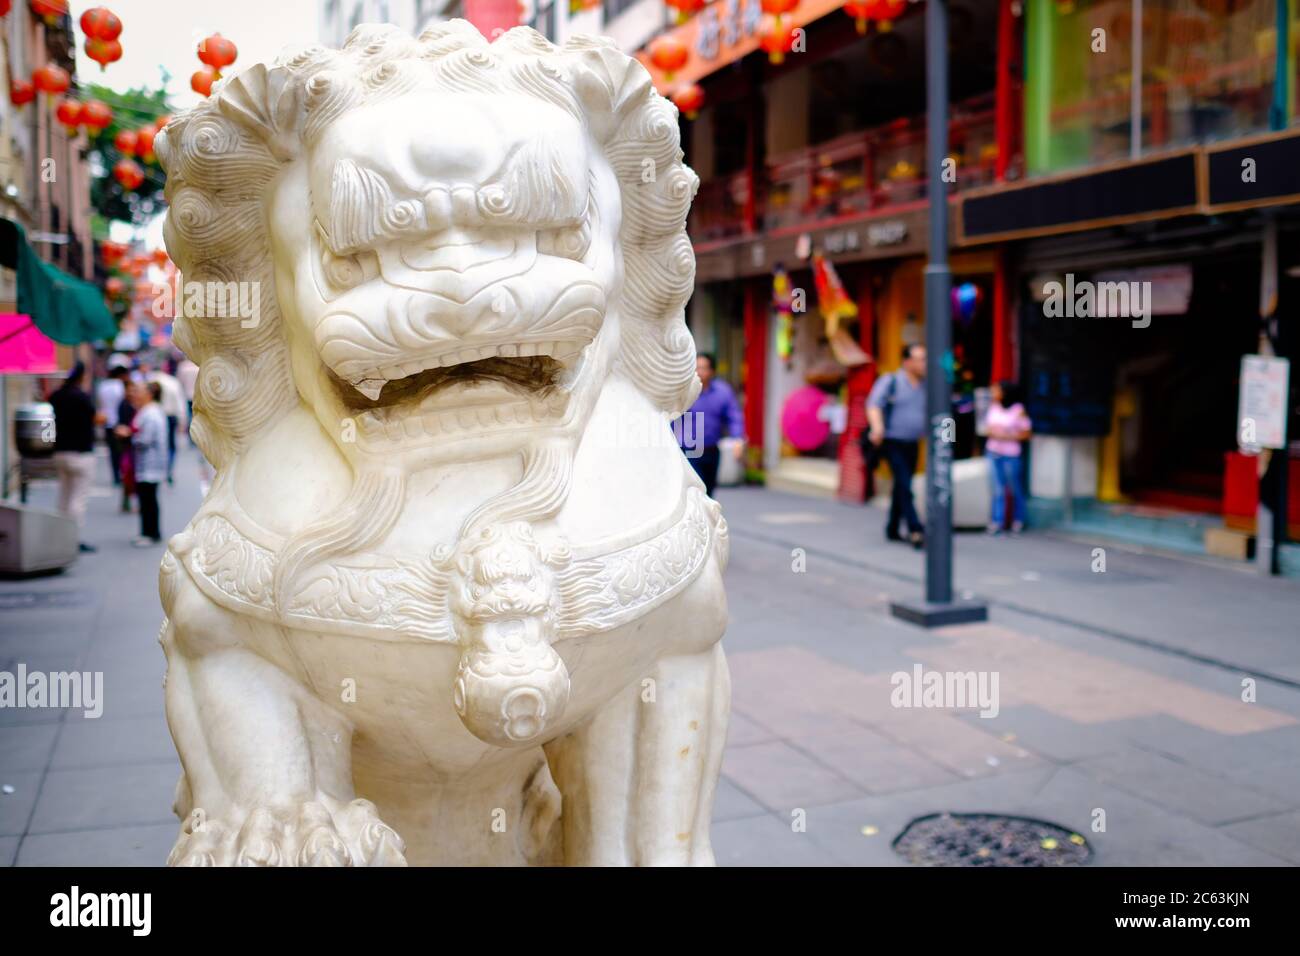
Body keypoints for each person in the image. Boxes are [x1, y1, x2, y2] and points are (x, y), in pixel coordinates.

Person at [866, 344, 927, 549]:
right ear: (907, 362)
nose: (923, 364)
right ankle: (915, 528)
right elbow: (874, 405)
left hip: (913, 442)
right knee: (904, 483)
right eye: (919, 359)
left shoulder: (926, 385)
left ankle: (892, 527)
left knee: (902, 484)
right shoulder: (891, 381)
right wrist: (877, 427)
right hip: (892, 441)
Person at [49, 362, 100, 553]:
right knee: (78, 499)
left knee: (64, 496)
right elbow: (94, 417)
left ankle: (60, 536)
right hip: (81, 453)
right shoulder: (82, 398)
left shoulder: (56, 396)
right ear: (82, 377)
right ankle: (72, 539)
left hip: (60, 452)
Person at [677, 353, 743, 498]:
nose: (700, 371)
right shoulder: (682, 391)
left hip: (712, 449)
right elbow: (670, 416)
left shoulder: (722, 392)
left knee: (709, 489)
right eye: (697, 368)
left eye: (704, 368)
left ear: (712, 371)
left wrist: (737, 438)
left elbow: (734, 416)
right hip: (689, 449)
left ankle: (705, 519)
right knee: (696, 490)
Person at [984, 380, 1032, 535]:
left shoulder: (1018, 410)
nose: (993, 394)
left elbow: (1026, 433)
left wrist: (1007, 436)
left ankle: (1018, 520)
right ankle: (997, 521)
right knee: (997, 488)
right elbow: (987, 428)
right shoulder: (993, 407)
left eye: (997, 391)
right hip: (993, 451)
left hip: (1011, 454)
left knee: (1014, 487)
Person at [127, 380, 168, 546]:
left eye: (139, 391)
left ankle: (150, 533)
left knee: (148, 499)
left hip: (150, 463)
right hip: (147, 463)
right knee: (147, 498)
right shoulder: (148, 411)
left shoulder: (151, 413)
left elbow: (146, 438)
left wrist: (129, 436)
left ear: (149, 394)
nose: (135, 394)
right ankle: (148, 532)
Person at [149, 365, 188, 484]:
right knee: (170, 445)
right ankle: (168, 469)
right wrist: (183, 419)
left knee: (156, 443)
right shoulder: (172, 382)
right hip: (170, 416)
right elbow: (179, 401)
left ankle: (158, 468)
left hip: (155, 414)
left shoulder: (149, 380)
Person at [96, 361, 129, 486]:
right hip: (119, 422)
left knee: (112, 451)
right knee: (121, 450)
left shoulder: (103, 386)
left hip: (107, 421)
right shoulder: (120, 386)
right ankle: (122, 472)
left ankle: (115, 474)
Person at [176, 358, 199, 445]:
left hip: (187, 394)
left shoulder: (183, 366)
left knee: (190, 416)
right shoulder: (198, 365)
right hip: (197, 395)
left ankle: (192, 435)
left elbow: (179, 382)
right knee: (197, 415)